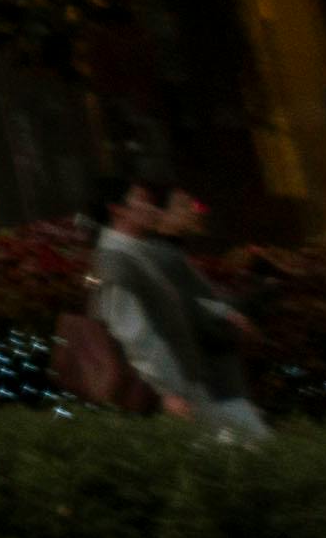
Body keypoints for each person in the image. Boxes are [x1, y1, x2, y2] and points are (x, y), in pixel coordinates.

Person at [84, 180, 263, 440]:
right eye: (141, 200)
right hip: (167, 391)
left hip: (184, 382)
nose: (151, 209)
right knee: (243, 448)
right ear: (117, 210)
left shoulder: (136, 254)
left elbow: (179, 303)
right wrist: (168, 390)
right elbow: (134, 333)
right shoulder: (115, 261)